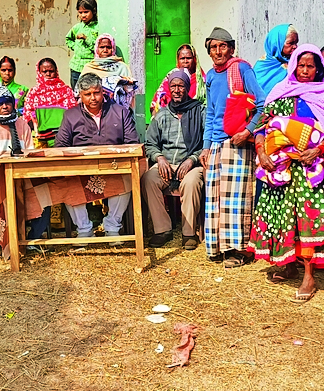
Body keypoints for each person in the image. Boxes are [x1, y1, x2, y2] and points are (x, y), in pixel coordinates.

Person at [248, 45, 324, 302]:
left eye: (310, 66)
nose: (304, 71)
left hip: (310, 171)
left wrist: (320, 148)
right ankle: (287, 263)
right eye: (301, 65)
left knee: (308, 220)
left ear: (319, 68)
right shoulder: (280, 92)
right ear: (293, 66)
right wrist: (261, 152)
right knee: (282, 217)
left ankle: (309, 276)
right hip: (279, 167)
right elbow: (261, 125)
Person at [198, 27, 266, 268]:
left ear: (231, 48)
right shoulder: (211, 76)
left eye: (222, 46)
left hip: (237, 143)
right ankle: (218, 247)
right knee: (215, 199)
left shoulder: (242, 69)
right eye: (213, 47)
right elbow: (211, 113)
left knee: (235, 201)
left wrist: (247, 132)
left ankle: (238, 250)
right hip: (216, 144)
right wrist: (205, 147)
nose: (218, 51)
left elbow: (262, 104)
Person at [56, 73, 139, 241]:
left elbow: (132, 142)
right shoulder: (70, 116)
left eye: (96, 93)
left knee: (127, 179)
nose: (93, 98)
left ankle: (112, 228)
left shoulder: (120, 112)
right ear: (80, 95)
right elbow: (60, 147)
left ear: (103, 92)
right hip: (81, 169)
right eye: (87, 94)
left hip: (113, 167)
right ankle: (84, 230)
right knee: (67, 184)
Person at [0, 82, 48, 243]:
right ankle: (2, 240)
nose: (5, 106)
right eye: (0, 103)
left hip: (21, 173)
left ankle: (33, 239)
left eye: (8, 102)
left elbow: (30, 154)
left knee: (44, 193)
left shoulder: (21, 124)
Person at [142, 69, 205, 250]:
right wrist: (159, 158)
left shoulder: (199, 111)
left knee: (192, 182)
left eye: (181, 86)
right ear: (169, 89)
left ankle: (189, 233)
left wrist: (192, 159)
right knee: (148, 180)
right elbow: (150, 143)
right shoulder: (161, 114)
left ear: (187, 88)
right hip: (166, 164)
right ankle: (163, 230)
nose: (177, 90)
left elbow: (206, 143)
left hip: (192, 164)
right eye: (173, 86)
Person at [23, 57, 76, 148]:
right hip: (40, 139)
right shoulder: (33, 93)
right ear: (39, 72)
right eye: (44, 71)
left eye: (51, 71)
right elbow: (27, 115)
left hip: (64, 136)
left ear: (56, 71)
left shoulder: (66, 90)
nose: (48, 74)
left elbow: (74, 112)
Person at [79, 33, 137, 110]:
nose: (105, 50)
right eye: (102, 47)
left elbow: (129, 91)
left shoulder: (122, 67)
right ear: (97, 49)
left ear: (113, 48)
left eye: (108, 47)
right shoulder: (89, 67)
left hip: (117, 110)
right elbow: (81, 89)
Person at [150, 44, 206, 117]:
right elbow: (156, 103)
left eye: (189, 58)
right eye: (182, 58)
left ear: (195, 59)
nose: (185, 61)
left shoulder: (201, 80)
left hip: (195, 119)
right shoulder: (171, 77)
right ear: (178, 60)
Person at [252, 24, 298, 95]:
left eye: (296, 43)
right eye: (290, 43)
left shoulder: (295, 64)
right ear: (277, 43)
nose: (295, 46)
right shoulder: (261, 67)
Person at [65, 0, 99, 87]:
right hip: (75, 67)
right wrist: (75, 47)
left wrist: (86, 39)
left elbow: (99, 47)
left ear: (94, 11)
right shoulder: (77, 27)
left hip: (91, 67)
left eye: (86, 12)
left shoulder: (98, 28)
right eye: (80, 12)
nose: (83, 15)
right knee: (76, 94)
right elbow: (68, 39)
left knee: (90, 92)